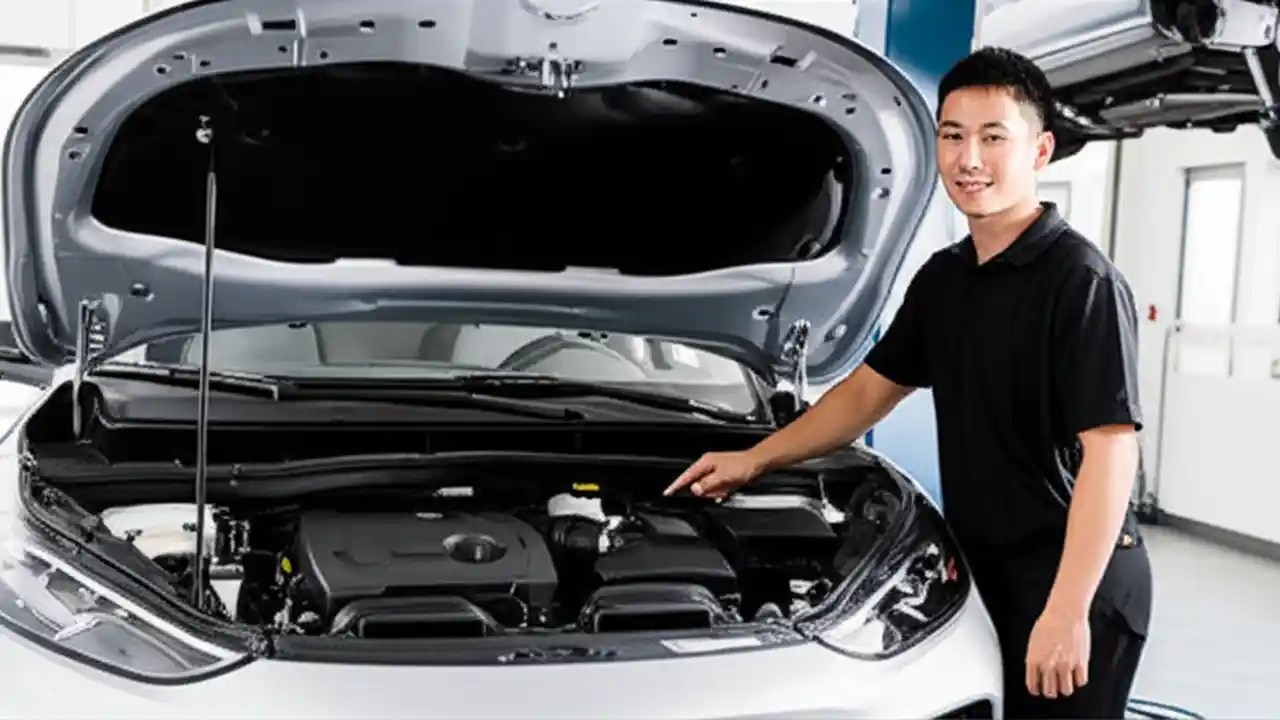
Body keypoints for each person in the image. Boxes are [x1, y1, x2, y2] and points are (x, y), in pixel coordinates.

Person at [664, 46, 1152, 719]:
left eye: (992, 138)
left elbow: (1111, 450)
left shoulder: (1081, 282)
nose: (968, 159)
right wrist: (756, 458)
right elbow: (867, 392)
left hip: (1075, 573)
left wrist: (1067, 612)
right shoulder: (946, 279)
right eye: (952, 136)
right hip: (985, 564)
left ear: (1040, 150)